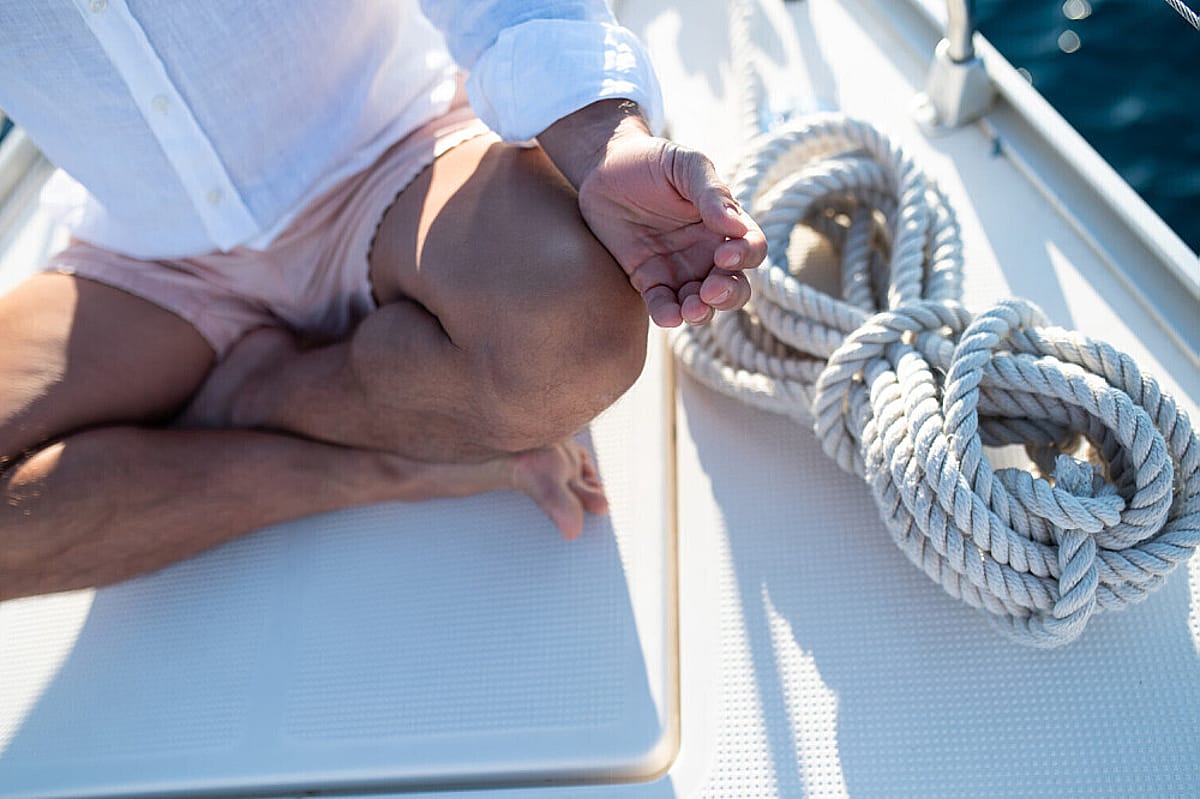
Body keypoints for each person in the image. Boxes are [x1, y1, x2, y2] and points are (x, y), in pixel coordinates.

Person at [0, 1, 765, 601]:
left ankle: (260, 397)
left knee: (576, 334)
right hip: (148, 245)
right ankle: (387, 464)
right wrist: (390, 462)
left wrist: (601, 137)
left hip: (395, 153)